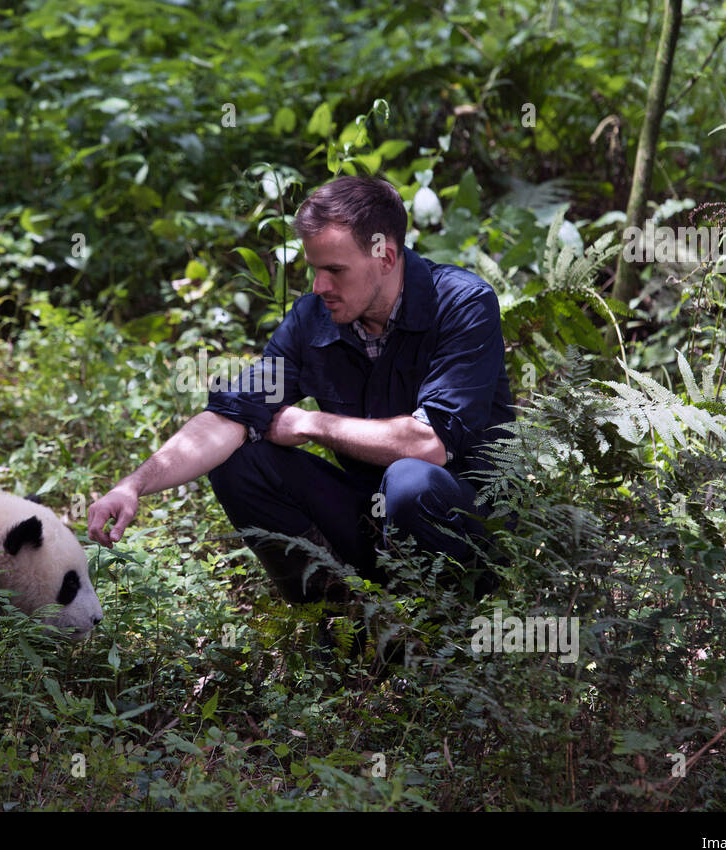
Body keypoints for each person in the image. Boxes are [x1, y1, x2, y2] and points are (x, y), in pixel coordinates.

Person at [87, 175, 515, 611]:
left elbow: (429, 445)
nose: (318, 286)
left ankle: (436, 628)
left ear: (385, 256)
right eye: (314, 268)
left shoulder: (462, 304)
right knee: (238, 460)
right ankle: (342, 619)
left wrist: (311, 424)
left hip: (466, 527)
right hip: (376, 521)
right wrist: (133, 486)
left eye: (334, 270)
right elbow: (229, 417)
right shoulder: (314, 318)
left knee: (410, 480)